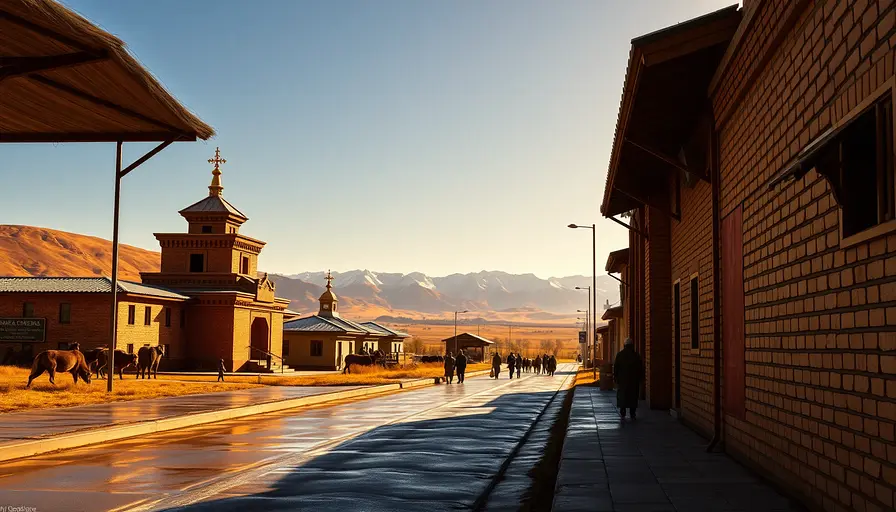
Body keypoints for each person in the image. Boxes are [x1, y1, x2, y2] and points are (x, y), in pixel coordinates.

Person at [614, 338, 644, 420]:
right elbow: (640, 368)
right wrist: (641, 378)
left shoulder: (620, 355)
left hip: (622, 380)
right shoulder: (636, 355)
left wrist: (616, 377)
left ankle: (622, 412)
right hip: (634, 380)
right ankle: (632, 412)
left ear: (624, 345)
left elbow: (616, 367)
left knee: (623, 395)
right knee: (633, 396)